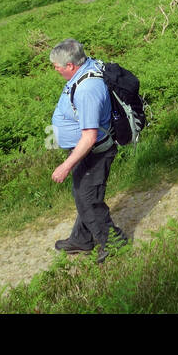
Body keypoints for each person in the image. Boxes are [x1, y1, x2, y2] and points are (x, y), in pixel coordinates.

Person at [49, 39, 127, 262]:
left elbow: (89, 137)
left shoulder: (87, 91)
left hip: (95, 152)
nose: (55, 69)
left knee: (89, 199)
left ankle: (114, 242)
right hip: (88, 151)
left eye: (57, 66)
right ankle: (82, 239)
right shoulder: (86, 68)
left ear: (71, 66)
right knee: (83, 193)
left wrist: (65, 166)